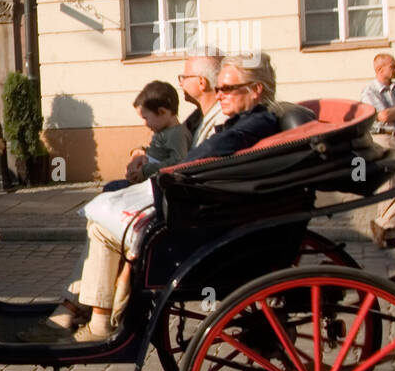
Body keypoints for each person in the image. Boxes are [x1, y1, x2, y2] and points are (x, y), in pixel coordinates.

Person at [29, 54, 280, 342]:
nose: (219, 93)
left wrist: (156, 172)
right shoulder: (238, 120)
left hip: (198, 220)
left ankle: (94, 319)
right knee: (104, 208)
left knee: (102, 225)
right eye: (219, 87)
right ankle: (81, 304)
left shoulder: (244, 125)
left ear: (256, 90)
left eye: (226, 88)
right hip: (196, 206)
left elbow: (193, 162)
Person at [361, 52, 395, 248]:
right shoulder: (370, 91)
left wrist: (394, 112)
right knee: (389, 187)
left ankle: (383, 226)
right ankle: (388, 235)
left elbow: (394, 113)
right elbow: (382, 116)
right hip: (384, 139)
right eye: (393, 66)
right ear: (380, 69)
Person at [104, 81, 191, 191]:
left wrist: (145, 170)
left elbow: (178, 162)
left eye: (145, 118)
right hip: (147, 180)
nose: (144, 123)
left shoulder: (177, 134)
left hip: (155, 187)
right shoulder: (163, 131)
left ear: (162, 112)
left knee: (111, 188)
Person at [180, 53, 227, 148]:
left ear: (202, 82)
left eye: (184, 77)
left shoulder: (222, 122)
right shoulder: (196, 117)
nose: (181, 84)